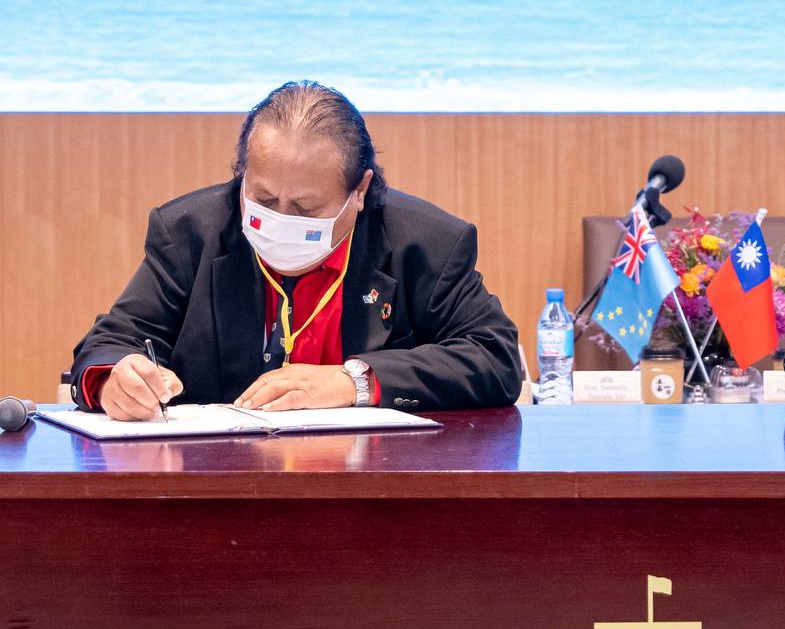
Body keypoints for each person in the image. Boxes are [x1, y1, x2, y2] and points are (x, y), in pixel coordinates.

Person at [71, 81, 521, 420]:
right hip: (219, 486)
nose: (281, 218)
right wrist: (114, 378)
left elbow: (495, 358)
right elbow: (109, 344)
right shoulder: (190, 233)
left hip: (373, 489)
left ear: (359, 191)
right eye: (264, 200)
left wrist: (355, 380)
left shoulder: (425, 244)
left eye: (306, 208)